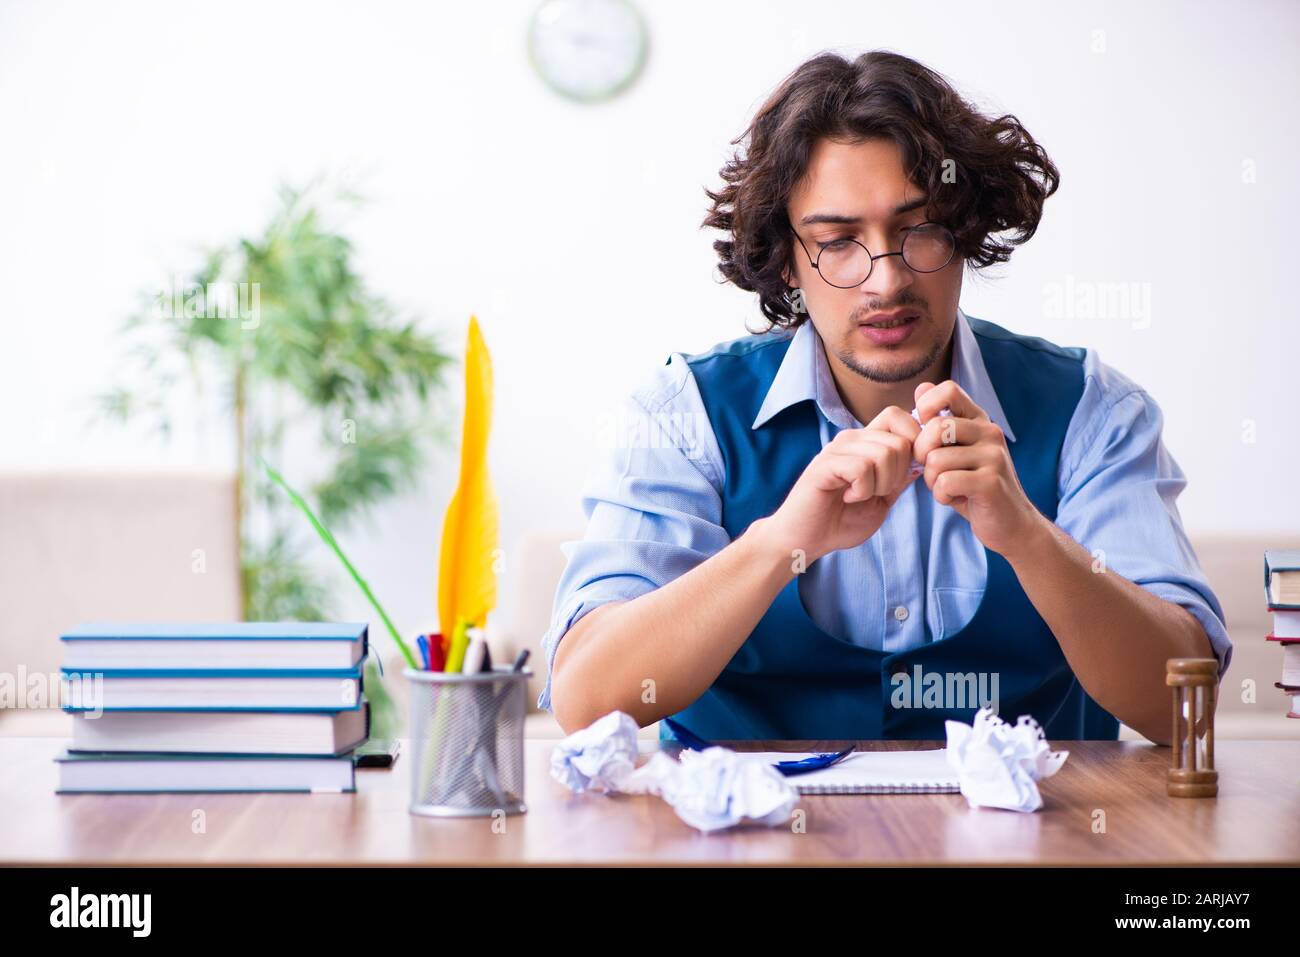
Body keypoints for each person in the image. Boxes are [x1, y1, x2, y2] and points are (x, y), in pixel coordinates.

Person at [538, 50, 1230, 745]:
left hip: (1034, 846)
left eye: (920, 229)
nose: (887, 281)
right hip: (745, 846)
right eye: (839, 241)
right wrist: (781, 542)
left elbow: (1183, 708)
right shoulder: (685, 415)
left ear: (966, 229)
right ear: (786, 257)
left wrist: (1027, 536)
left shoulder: (1092, 411)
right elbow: (586, 697)